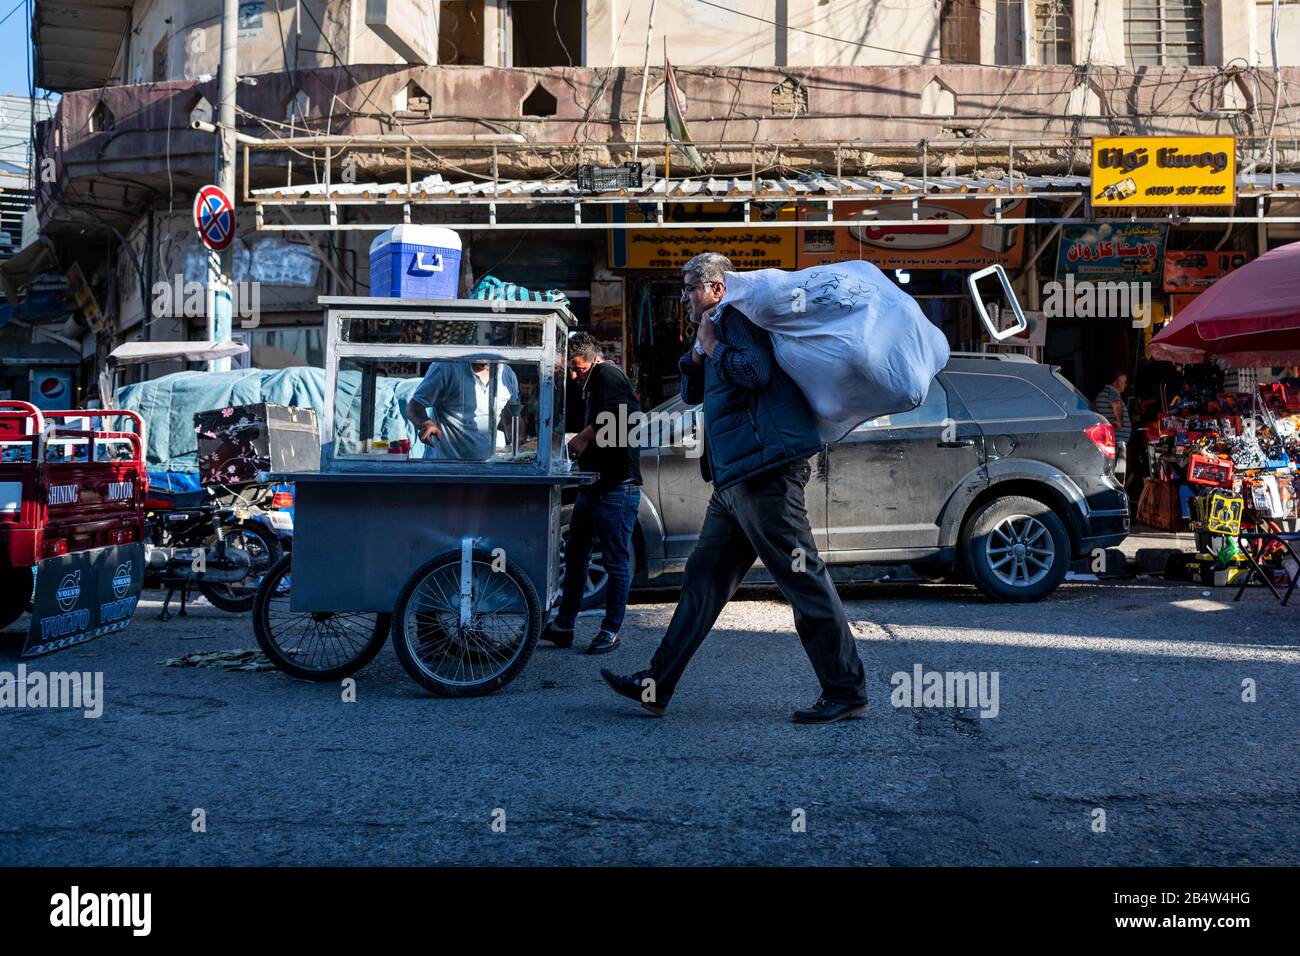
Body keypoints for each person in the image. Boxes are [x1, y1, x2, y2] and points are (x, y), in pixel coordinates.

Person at [599, 252, 870, 724]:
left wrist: (716, 346)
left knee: (802, 578)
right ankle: (656, 686)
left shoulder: (738, 319)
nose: (682, 297)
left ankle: (846, 689)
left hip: (764, 474)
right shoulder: (713, 328)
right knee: (703, 582)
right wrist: (701, 350)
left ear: (717, 289)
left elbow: (756, 371)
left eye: (689, 288)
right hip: (733, 479)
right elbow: (693, 393)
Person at [541, 333, 642, 655]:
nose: (574, 374)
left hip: (617, 487)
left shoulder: (607, 374)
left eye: (578, 368)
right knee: (576, 555)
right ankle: (564, 625)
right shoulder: (591, 381)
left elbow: (623, 412)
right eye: (570, 368)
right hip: (593, 484)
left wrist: (584, 437)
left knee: (615, 561)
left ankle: (610, 629)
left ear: (594, 359)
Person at [405, 359, 519, 460]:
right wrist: (426, 423)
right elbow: (414, 407)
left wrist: (518, 438)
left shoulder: (507, 375)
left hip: (485, 470)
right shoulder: (446, 367)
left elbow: (509, 415)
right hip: (445, 469)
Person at [1093, 370, 1131, 485]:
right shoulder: (1112, 392)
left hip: (1113, 441)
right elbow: (1116, 403)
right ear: (1117, 381)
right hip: (1117, 441)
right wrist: (1119, 421)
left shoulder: (1103, 394)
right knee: (1119, 473)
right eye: (1124, 381)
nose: (1125, 385)